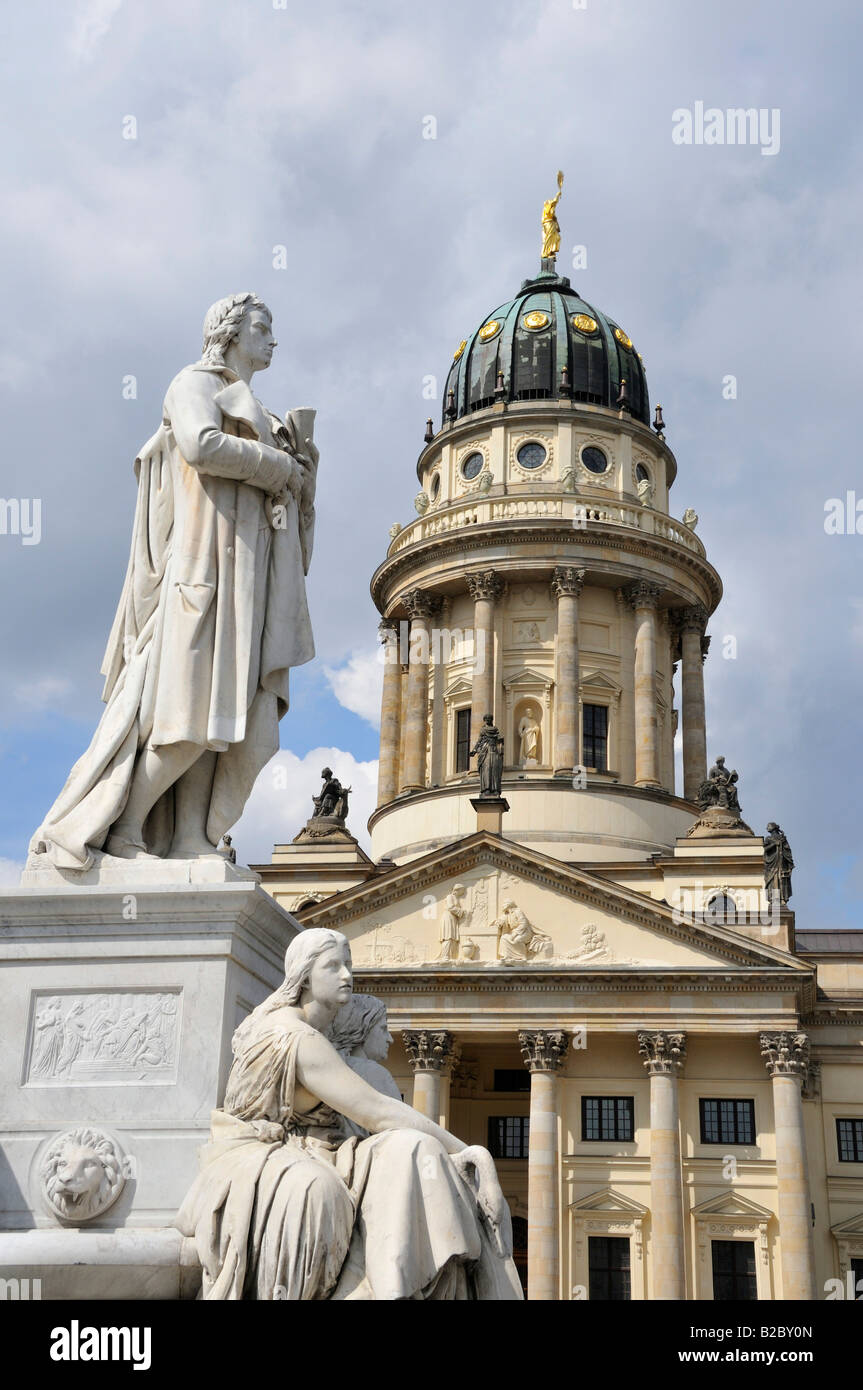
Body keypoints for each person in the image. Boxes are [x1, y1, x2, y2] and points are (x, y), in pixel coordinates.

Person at [29, 294, 317, 869]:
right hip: (201, 570)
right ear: (230, 331)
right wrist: (279, 467)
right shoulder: (195, 383)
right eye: (263, 327)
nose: (273, 339)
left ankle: (191, 838)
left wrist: (302, 470)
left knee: (227, 723)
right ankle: (125, 830)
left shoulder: (263, 410)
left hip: (247, 578)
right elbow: (200, 444)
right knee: (186, 714)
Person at [176, 928, 522, 1300]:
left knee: (414, 1149)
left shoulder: (309, 1031)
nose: (347, 976)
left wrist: (466, 1155)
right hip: (262, 1156)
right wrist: (472, 1152)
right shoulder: (297, 1038)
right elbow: (377, 1111)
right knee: (348, 1177)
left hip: (316, 1148)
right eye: (333, 966)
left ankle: (397, 1286)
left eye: (349, 965)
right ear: (305, 975)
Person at [470, 713, 504, 797]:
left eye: (489, 718)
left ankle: (495, 789)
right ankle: (486, 789)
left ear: (491, 720)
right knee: (486, 769)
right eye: (486, 719)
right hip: (485, 750)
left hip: (494, 750)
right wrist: (474, 750)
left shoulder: (495, 729)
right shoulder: (483, 730)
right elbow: (479, 740)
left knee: (495, 769)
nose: (488, 720)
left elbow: (500, 739)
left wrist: (499, 739)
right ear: (485, 720)